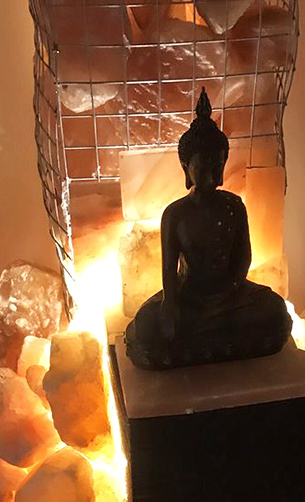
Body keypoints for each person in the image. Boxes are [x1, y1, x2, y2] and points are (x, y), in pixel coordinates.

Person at [124, 88, 292, 369]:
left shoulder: (234, 206)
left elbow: (243, 258)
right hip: (189, 298)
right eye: (204, 165)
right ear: (185, 167)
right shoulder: (175, 214)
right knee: (146, 328)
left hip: (232, 297)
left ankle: (196, 349)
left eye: (218, 163)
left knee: (275, 311)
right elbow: (169, 270)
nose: (212, 172)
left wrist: (226, 292)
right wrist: (170, 306)